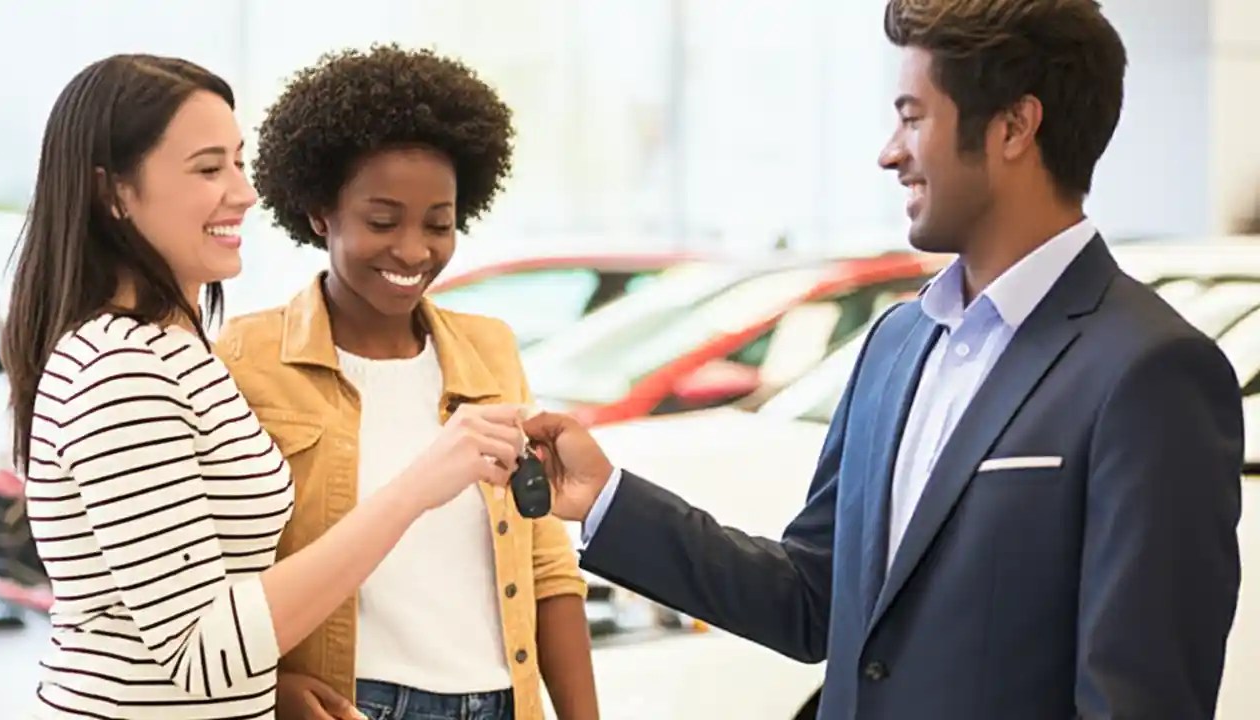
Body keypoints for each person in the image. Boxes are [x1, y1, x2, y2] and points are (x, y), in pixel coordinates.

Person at [523, 1, 1245, 718]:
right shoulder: (896, 342)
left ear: (1014, 127)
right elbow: (814, 599)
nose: (889, 151)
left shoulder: (1151, 373)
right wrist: (607, 499)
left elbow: (1140, 703)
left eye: (912, 116)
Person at [4, 53, 525, 719]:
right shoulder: (121, 368)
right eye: (207, 168)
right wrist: (419, 487)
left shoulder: (180, 349)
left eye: (239, 162)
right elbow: (202, 651)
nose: (244, 193)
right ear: (114, 192)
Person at [214, 45, 598, 720]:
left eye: (439, 224)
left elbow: (546, 565)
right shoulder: (248, 357)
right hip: (355, 701)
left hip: (504, 701)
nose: (415, 250)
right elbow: (213, 583)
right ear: (319, 213)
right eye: (382, 221)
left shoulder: (491, 351)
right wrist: (270, 686)